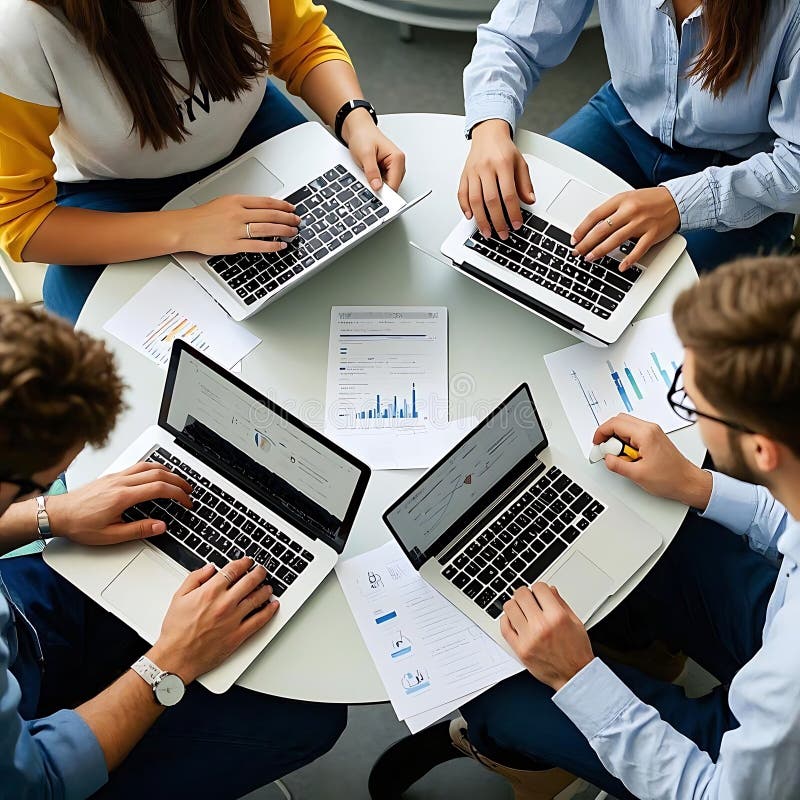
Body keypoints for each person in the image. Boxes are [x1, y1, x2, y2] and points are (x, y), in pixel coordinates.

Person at [446, 255, 800, 799]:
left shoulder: (788, 684)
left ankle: (536, 766)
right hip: (780, 628)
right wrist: (695, 484)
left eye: (692, 398)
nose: (684, 408)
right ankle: (644, 649)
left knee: (493, 691)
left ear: (762, 449)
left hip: (742, 764)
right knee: (663, 527)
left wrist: (576, 677)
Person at [0, 301, 346, 799]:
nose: (52, 488)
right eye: (39, 485)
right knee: (309, 717)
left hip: (22, 622)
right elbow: (38, 783)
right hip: (39, 759)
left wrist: (51, 514)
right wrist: (168, 662)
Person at [0, 0, 405, 324]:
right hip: (112, 190)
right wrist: (187, 229)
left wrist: (353, 118)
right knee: (130, 361)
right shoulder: (19, 28)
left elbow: (303, 41)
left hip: (249, 129)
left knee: (355, 274)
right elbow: (22, 224)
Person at [459, 0, 800, 273]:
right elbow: (512, 37)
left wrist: (679, 204)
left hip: (748, 168)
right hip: (624, 120)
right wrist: (490, 127)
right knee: (512, 237)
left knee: (666, 318)